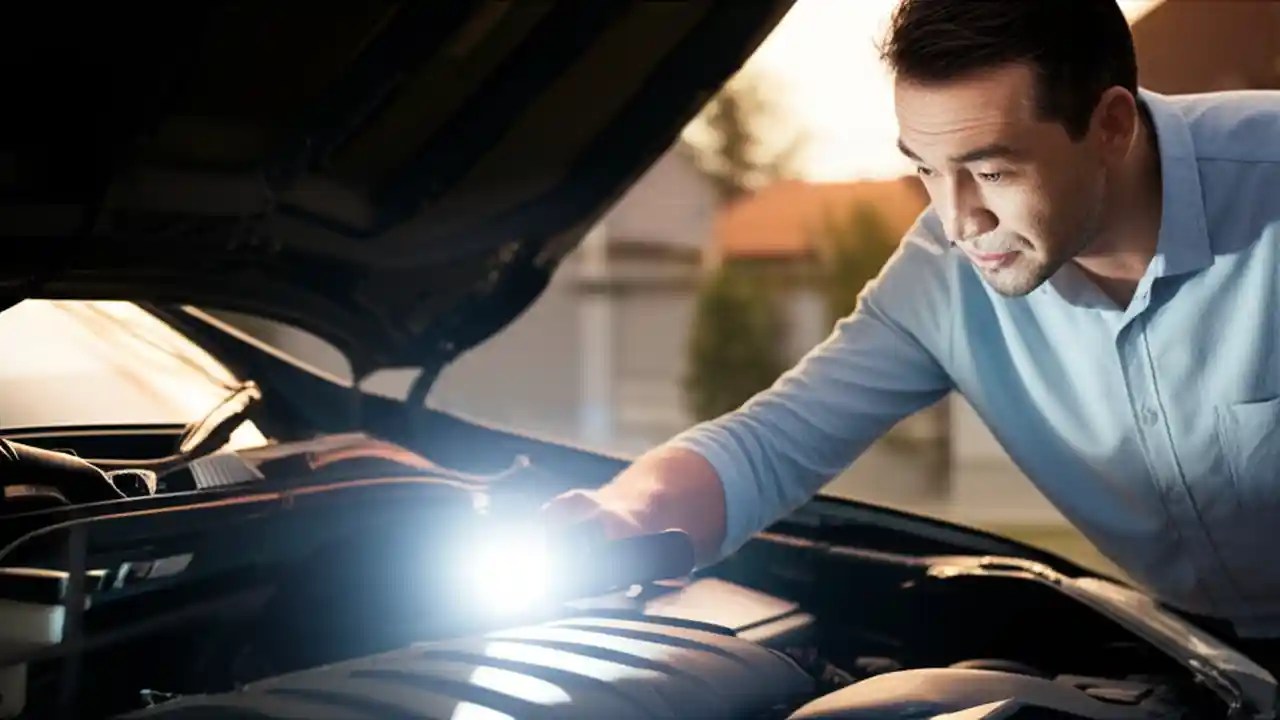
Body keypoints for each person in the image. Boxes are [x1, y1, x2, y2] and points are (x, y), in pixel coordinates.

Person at [544, 0, 1280, 653]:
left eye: (991, 172)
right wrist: (622, 516)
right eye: (927, 170)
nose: (959, 221)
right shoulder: (942, 272)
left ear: (1110, 124)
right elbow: (770, 444)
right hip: (1189, 649)